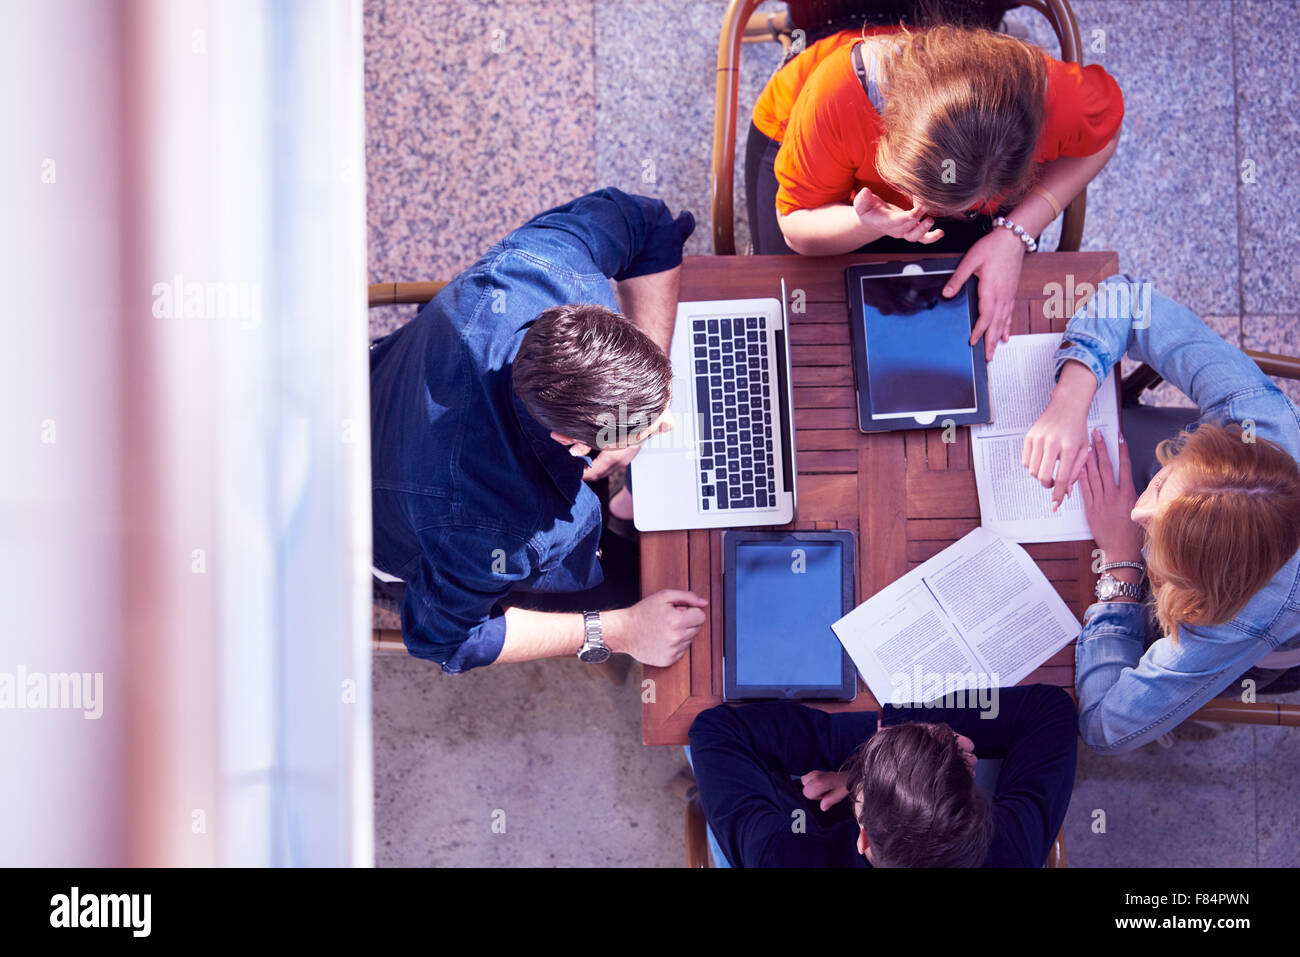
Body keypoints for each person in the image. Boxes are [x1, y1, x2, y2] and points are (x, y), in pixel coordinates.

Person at [368, 188, 709, 674]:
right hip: (382, 511)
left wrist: (631, 418)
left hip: (374, 391)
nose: (666, 423)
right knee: (653, 587)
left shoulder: (548, 264)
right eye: (648, 426)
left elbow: (650, 226)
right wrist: (620, 630)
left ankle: (621, 501)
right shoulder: (489, 533)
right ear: (570, 442)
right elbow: (443, 641)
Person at [1022, 274, 1300, 752]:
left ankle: (1188, 713)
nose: (1136, 511)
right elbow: (1130, 301)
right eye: (1162, 482)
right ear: (1218, 447)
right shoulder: (1257, 416)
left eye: (1160, 538)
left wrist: (1122, 566)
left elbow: (1107, 727)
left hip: (1269, 646)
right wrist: (1069, 401)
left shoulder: (1236, 620)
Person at [747, 15, 1123, 358]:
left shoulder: (1058, 99)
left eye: (964, 208)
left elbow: (1106, 136)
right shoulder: (836, 96)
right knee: (796, 326)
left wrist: (1016, 231)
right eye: (918, 193)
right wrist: (865, 224)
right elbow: (797, 226)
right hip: (811, 145)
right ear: (891, 142)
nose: (926, 210)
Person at [687, 684, 1077, 867]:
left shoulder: (784, 859)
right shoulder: (1011, 849)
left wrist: (874, 736)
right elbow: (1051, 709)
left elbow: (716, 731)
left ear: (864, 836)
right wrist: (909, 743)